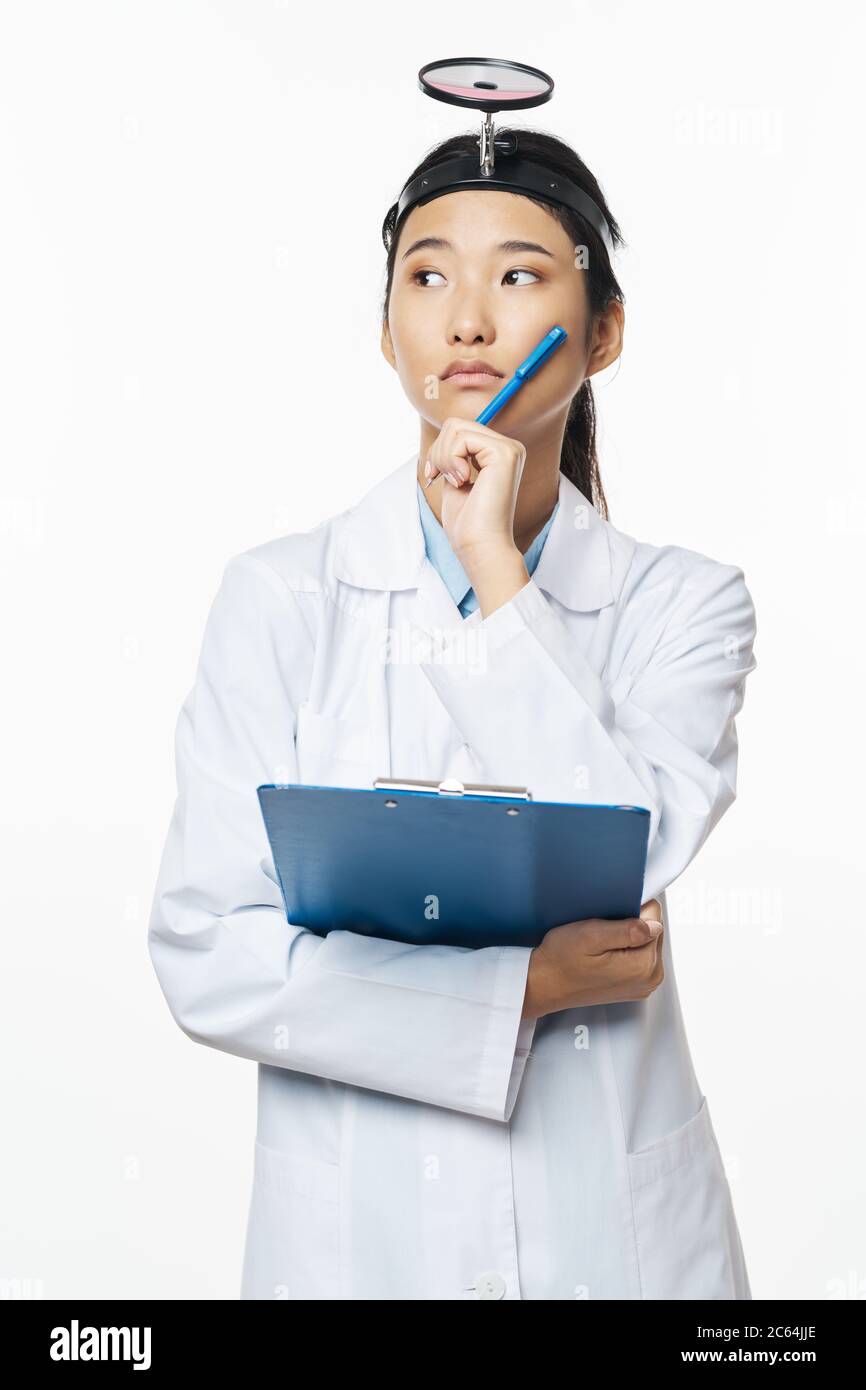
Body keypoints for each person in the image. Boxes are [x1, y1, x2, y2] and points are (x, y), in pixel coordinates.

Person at [148, 127, 758, 1300]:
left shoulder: (683, 604)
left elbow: (618, 847)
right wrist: (517, 990)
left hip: (613, 1250)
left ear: (604, 330)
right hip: (355, 1244)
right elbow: (207, 949)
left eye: (520, 274)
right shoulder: (279, 597)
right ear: (386, 331)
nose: (467, 320)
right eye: (426, 277)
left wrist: (491, 564)